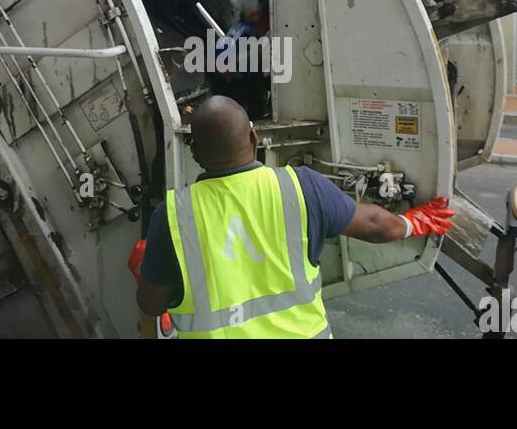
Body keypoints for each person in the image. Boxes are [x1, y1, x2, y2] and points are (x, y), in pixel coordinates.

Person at [128, 95, 455, 339]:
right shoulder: (301, 186)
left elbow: (152, 304)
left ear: (195, 152)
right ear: (254, 138)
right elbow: (374, 224)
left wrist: (145, 272)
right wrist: (415, 221)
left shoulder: (174, 216)